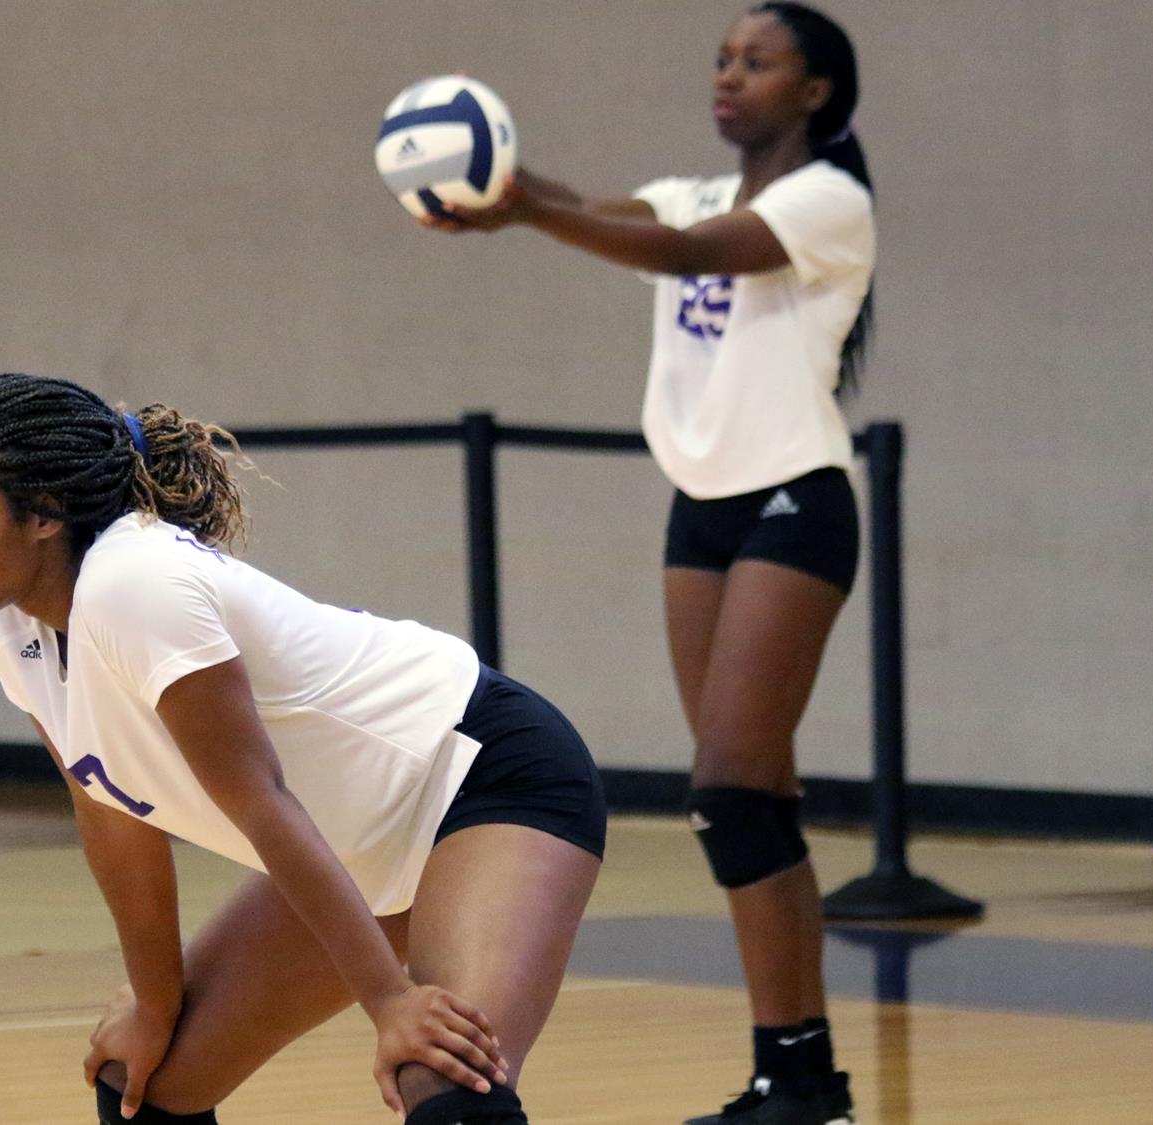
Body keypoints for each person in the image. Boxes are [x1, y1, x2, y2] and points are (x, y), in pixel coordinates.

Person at [0, 372, 606, 1124]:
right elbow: (107, 808)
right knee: (144, 1080)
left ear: (44, 514)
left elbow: (261, 800)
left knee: (444, 1081)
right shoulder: (6, 620)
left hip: (476, 777)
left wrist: (391, 1002)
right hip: (348, 836)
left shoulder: (135, 582)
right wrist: (154, 1002)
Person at [422, 4, 871, 1122]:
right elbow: (610, 215)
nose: (728, 76)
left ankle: (800, 1075)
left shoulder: (826, 200)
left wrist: (519, 207)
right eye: (721, 58)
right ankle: (796, 1079)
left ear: (812, 91)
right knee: (740, 801)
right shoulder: (690, 190)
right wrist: (504, 202)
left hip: (793, 499)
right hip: (701, 511)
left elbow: (680, 255)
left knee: (732, 793)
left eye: (756, 62)